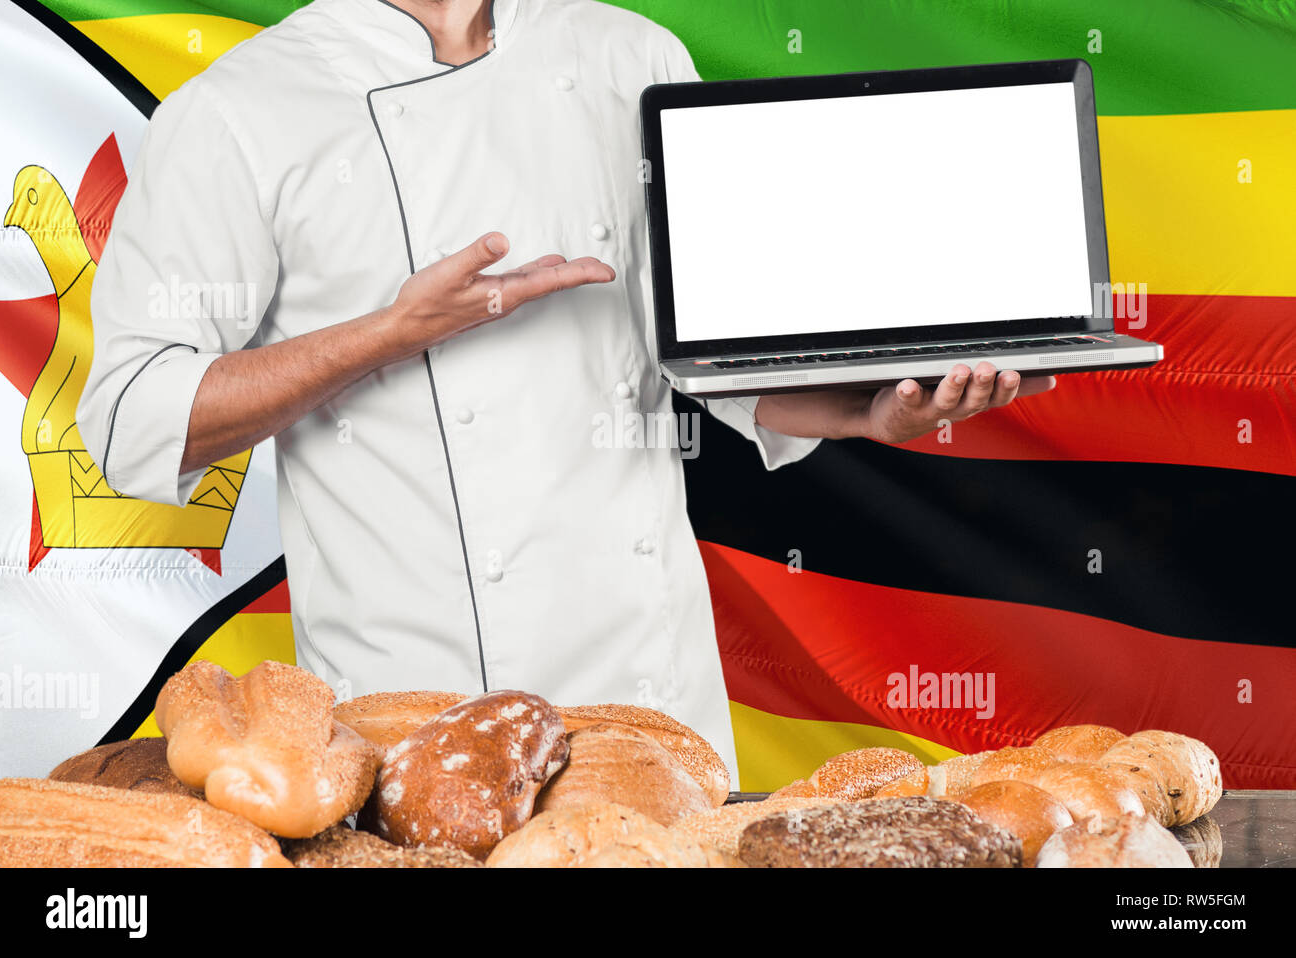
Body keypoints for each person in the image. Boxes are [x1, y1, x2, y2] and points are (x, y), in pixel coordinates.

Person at [78, 0, 1053, 778]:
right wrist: (388, 333)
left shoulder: (631, 56)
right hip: (413, 732)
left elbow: (704, 359)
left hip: (651, 713)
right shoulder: (240, 112)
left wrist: (871, 410)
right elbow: (132, 418)